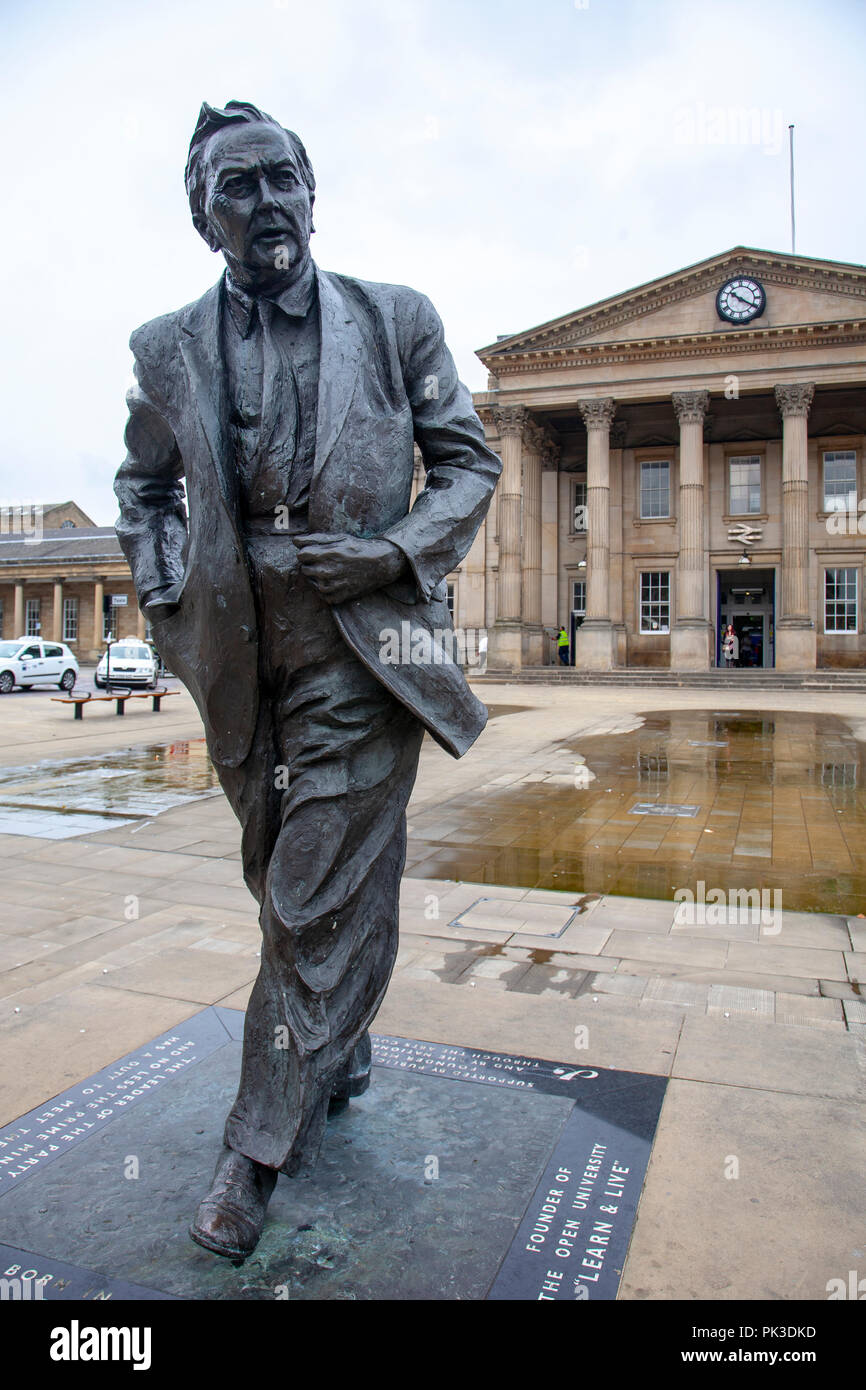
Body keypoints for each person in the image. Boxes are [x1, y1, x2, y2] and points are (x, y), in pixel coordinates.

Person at [114, 100, 501, 1259]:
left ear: (312, 190)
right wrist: (167, 584)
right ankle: (339, 1034)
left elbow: (466, 463)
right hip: (242, 660)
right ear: (203, 218)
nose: (268, 200)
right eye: (239, 187)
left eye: (284, 177)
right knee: (292, 874)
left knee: (303, 890)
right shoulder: (164, 347)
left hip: (370, 655)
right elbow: (142, 487)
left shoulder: (395, 320)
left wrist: (389, 550)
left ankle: (253, 1152)